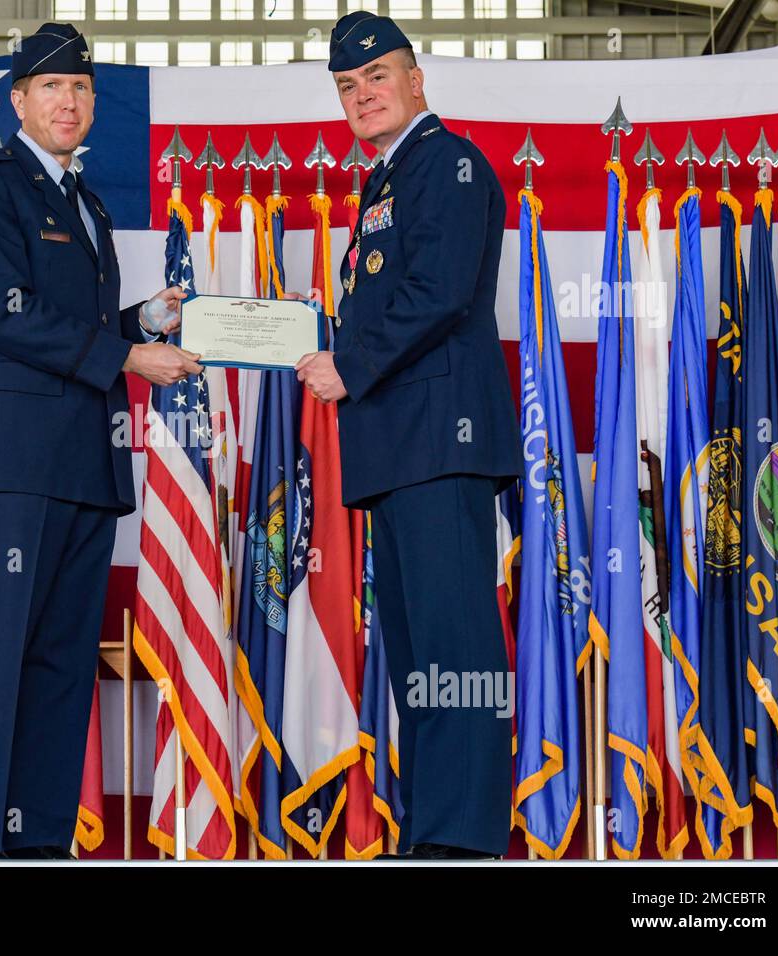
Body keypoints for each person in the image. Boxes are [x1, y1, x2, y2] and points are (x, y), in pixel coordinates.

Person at [0, 21, 201, 859]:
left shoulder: (86, 202)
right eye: (52, 87)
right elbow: (6, 313)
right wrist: (128, 351)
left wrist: (141, 322)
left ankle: (39, 842)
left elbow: (76, 328)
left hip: (85, 467)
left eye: (82, 88)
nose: (70, 100)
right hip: (15, 466)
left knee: (58, 668)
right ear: (20, 100)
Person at [295, 12, 522, 859]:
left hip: (441, 440)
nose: (361, 95)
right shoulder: (387, 184)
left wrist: (348, 365)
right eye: (347, 88)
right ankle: (434, 831)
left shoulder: (450, 166)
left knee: (457, 648)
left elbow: (440, 291)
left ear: (417, 80)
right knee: (421, 656)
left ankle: (460, 841)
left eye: (376, 78)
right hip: (397, 447)